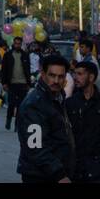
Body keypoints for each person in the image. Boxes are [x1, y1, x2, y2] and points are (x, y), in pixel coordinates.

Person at [16, 53, 74, 183]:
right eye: (52, 75)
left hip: (57, 170)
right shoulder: (34, 103)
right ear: (43, 75)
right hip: (39, 174)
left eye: (60, 76)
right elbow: (35, 147)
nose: (56, 81)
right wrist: (59, 174)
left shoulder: (58, 98)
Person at [0, 35, 32, 130]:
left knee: (20, 105)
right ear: (13, 44)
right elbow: (4, 70)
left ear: (21, 44)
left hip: (23, 83)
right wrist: (4, 83)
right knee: (11, 103)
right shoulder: (8, 55)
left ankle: (17, 125)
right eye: (16, 43)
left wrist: (28, 83)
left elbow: (28, 70)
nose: (17, 45)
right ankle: (8, 120)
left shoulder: (25, 55)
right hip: (12, 83)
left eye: (19, 44)